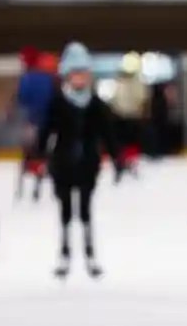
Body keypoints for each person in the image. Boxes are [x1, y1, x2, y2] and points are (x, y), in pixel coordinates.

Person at [37, 42, 121, 279]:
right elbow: (46, 131)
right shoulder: (57, 103)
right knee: (65, 210)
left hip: (87, 165)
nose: (80, 78)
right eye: (75, 74)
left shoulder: (96, 105)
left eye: (83, 73)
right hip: (62, 165)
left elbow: (108, 134)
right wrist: (39, 155)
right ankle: (64, 253)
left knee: (85, 210)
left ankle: (89, 253)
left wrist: (117, 160)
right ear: (67, 75)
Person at [15, 46, 55, 202]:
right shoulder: (48, 77)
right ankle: (40, 181)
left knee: (29, 152)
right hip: (48, 123)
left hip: (32, 122)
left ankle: (25, 184)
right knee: (44, 152)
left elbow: (22, 99)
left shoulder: (27, 78)